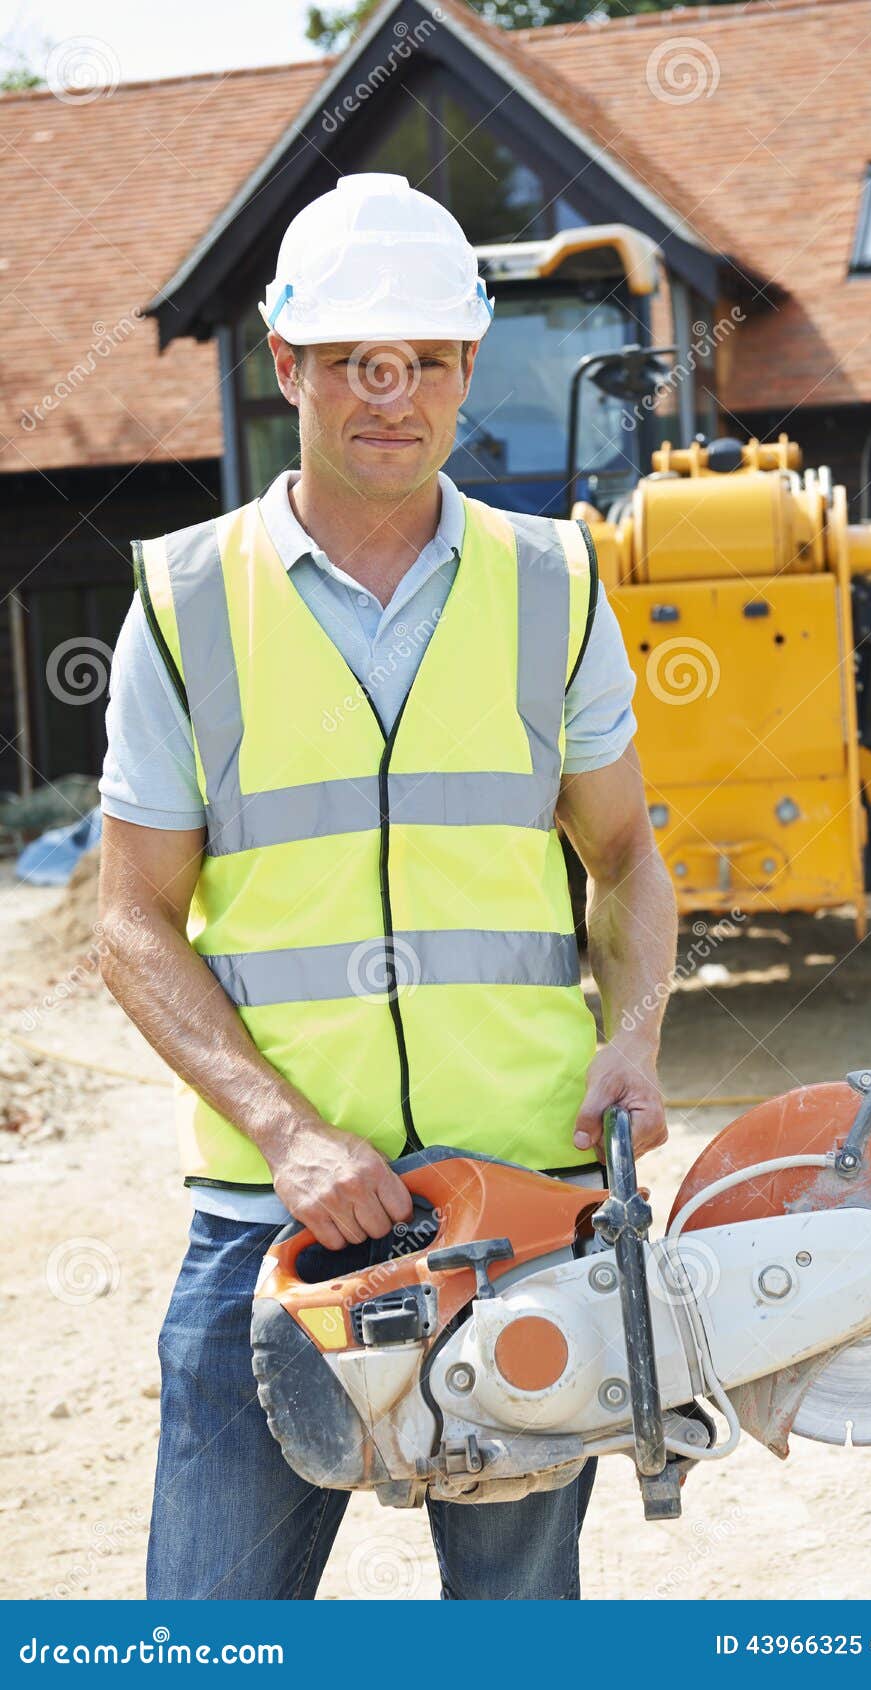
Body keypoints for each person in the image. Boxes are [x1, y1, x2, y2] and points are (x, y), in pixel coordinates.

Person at [97, 172, 678, 1600]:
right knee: (211, 1630)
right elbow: (129, 921)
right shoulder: (184, 602)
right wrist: (291, 1135)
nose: (389, 391)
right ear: (285, 361)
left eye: (424, 358)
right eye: (356, 356)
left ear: (467, 368)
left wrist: (639, 1031)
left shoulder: (558, 582)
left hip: (526, 1212)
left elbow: (625, 860)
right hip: (274, 1229)